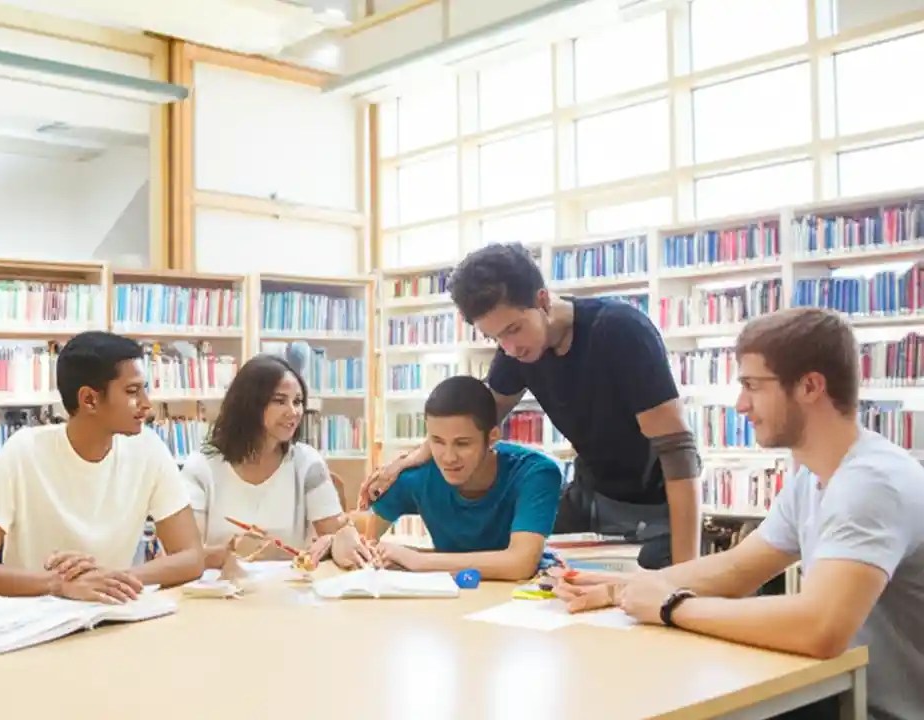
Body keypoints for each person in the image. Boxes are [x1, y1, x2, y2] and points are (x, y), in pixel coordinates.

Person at [553, 308, 924, 720]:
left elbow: (821, 627)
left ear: (810, 386)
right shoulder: (814, 479)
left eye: (752, 385)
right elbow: (737, 569)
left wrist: (670, 606)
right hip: (836, 693)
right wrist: (622, 589)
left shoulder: (871, 483)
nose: (741, 405)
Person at [360, 244, 701, 569]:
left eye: (513, 330)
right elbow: (474, 419)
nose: (509, 348)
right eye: (496, 339)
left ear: (542, 301)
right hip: (590, 496)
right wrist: (409, 460)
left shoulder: (619, 330)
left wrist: (689, 568)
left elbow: (677, 449)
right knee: (533, 569)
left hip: (659, 508)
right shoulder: (517, 352)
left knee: (652, 585)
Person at [0, 331, 204, 604]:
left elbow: (191, 557)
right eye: (132, 391)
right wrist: (57, 584)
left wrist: (112, 580)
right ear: (89, 400)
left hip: (109, 614)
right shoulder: (23, 452)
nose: (147, 404)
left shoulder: (148, 449)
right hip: (35, 617)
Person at [353, 375, 564, 580]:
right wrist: (345, 538)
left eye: (462, 443)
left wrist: (419, 561)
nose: (448, 458)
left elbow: (520, 563)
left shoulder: (535, 473)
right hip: (451, 599)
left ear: (492, 437)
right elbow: (366, 538)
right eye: (437, 441)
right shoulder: (417, 477)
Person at [180, 354, 368, 569]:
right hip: (221, 593)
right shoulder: (202, 466)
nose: (294, 412)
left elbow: (333, 533)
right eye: (279, 401)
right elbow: (184, 556)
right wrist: (230, 551)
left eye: (298, 402)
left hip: (292, 593)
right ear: (250, 404)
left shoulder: (307, 463)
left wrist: (343, 538)